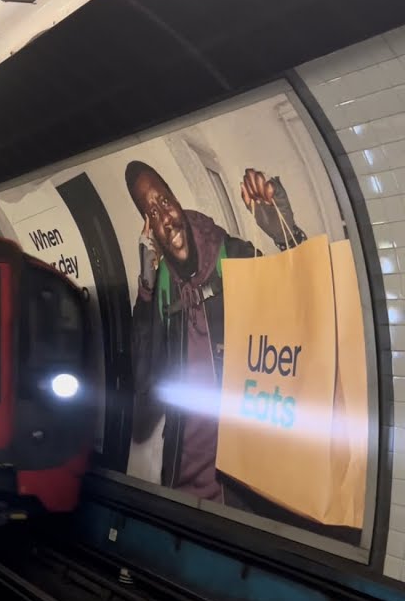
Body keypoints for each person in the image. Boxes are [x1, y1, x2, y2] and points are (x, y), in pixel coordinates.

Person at [128, 161, 306, 503]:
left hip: (247, 490)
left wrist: (286, 236)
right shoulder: (162, 290)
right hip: (183, 487)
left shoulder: (234, 256)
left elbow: (302, 311)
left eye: (164, 201)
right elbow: (143, 381)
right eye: (151, 212)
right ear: (150, 230)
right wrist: (145, 289)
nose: (165, 218)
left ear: (177, 201)